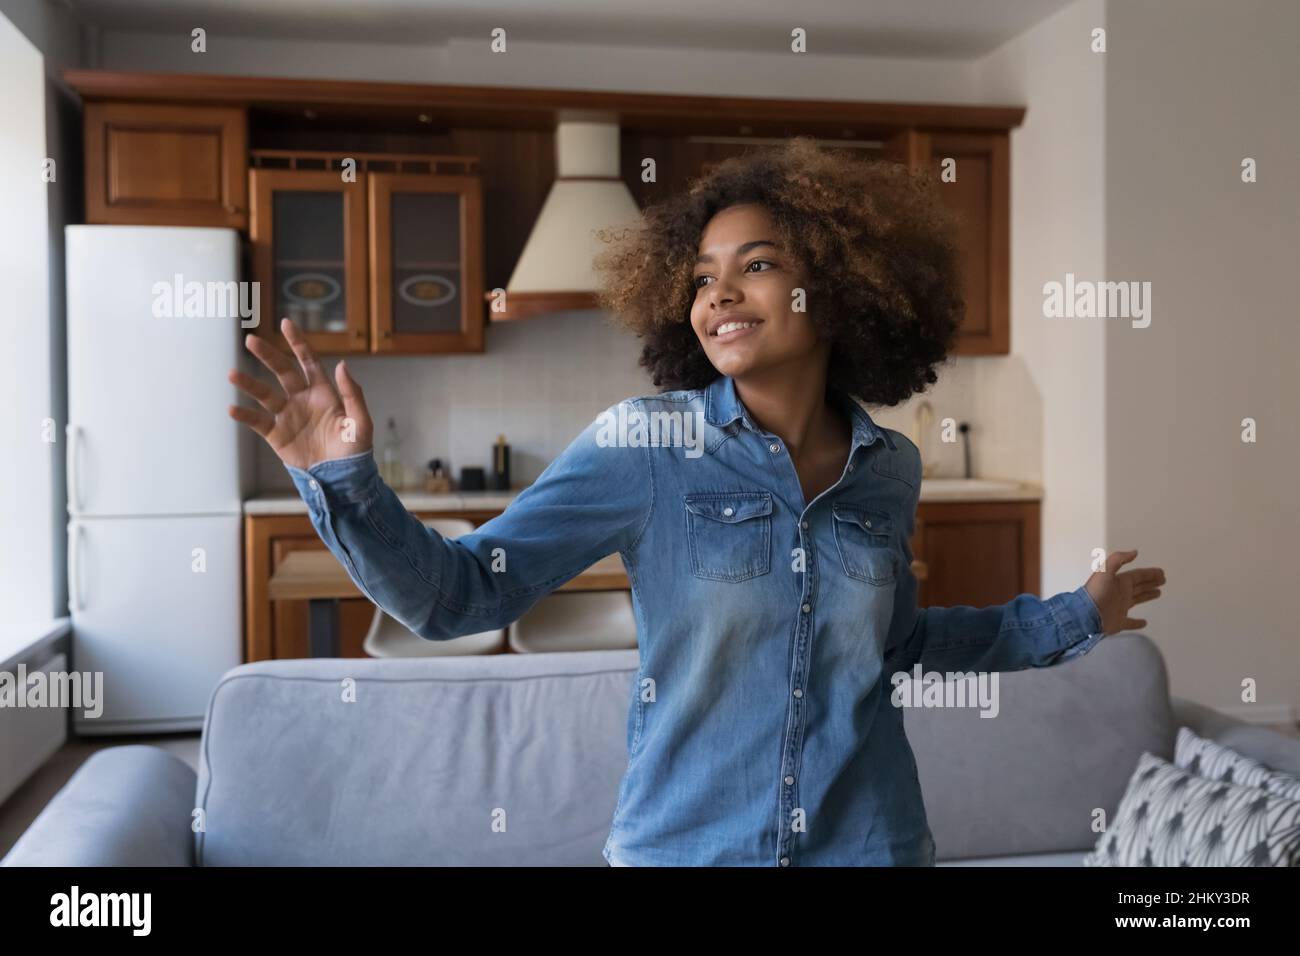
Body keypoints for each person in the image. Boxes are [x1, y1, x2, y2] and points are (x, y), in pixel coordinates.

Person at [227, 137, 1166, 866]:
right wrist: (343, 479)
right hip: (688, 846)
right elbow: (458, 599)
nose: (719, 293)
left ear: (832, 291)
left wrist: (1073, 617)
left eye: (755, 265)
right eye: (703, 276)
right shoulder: (647, 443)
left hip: (872, 845)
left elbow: (899, 646)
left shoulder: (889, 469)